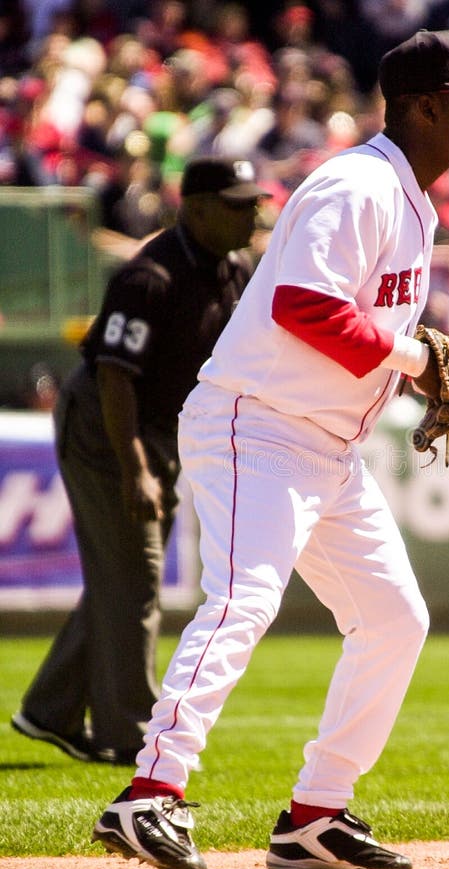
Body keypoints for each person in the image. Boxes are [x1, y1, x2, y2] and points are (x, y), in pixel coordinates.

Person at [91, 28, 449, 869]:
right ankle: (148, 793)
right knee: (244, 599)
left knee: (395, 620)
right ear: (424, 106)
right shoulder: (356, 185)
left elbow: (352, 324)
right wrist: (415, 359)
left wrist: (414, 367)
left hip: (326, 446)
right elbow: (300, 306)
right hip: (259, 423)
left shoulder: (410, 199)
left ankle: (315, 815)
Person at [11, 157, 270, 765]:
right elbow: (114, 374)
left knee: (121, 574)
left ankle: (48, 711)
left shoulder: (235, 267)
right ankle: (131, 736)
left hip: (159, 432)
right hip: (108, 430)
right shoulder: (150, 275)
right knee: (138, 578)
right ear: (197, 207)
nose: (250, 213)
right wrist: (135, 468)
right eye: (236, 203)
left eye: (251, 201)